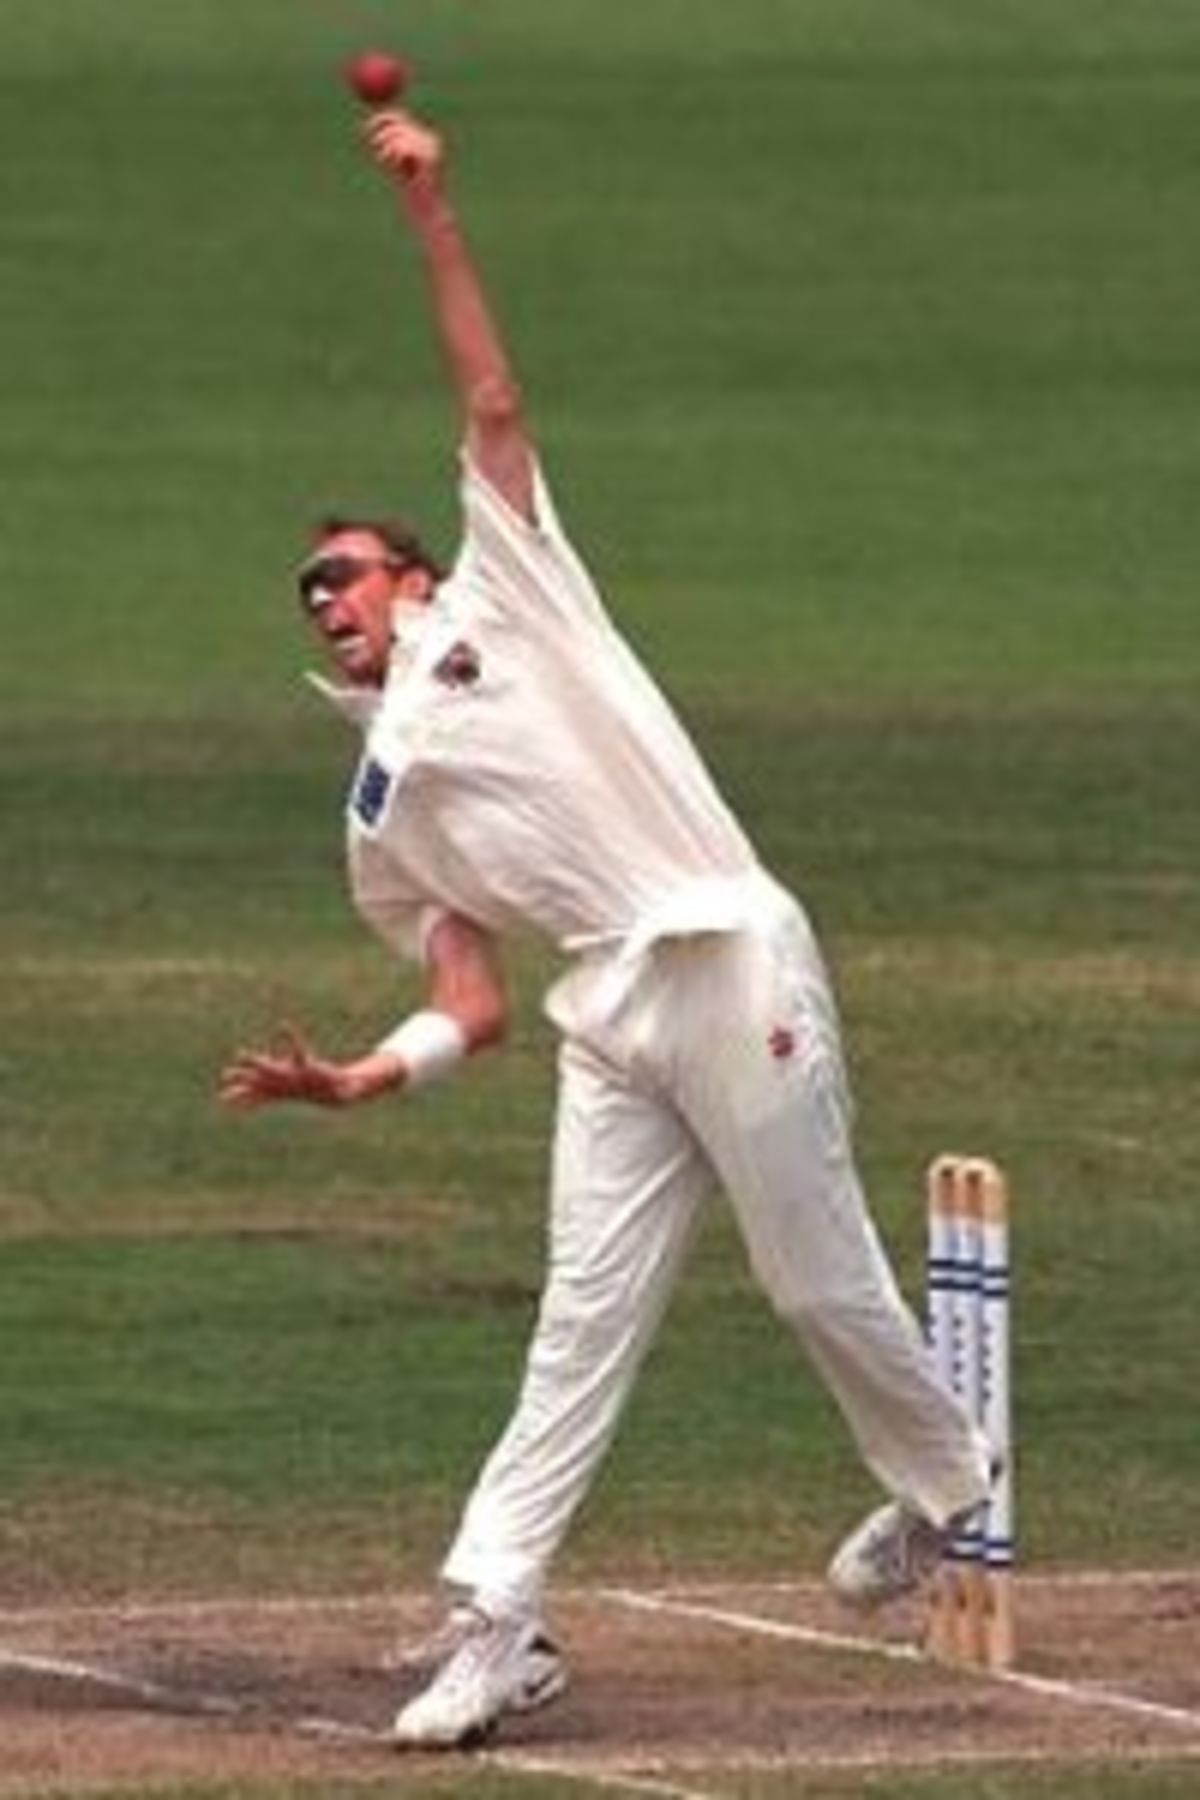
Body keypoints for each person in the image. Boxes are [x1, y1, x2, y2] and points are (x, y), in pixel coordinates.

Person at [219, 99, 993, 1752]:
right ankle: (494, 1625)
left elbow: (491, 399)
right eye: (306, 594)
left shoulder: (510, 588)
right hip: (610, 1019)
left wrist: (431, 209)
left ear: (412, 576)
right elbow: (470, 999)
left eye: (341, 573)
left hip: (722, 947)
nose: (324, 601)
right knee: (578, 1323)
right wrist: (371, 1077)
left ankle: (947, 1489)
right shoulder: (377, 807)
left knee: (811, 1279)